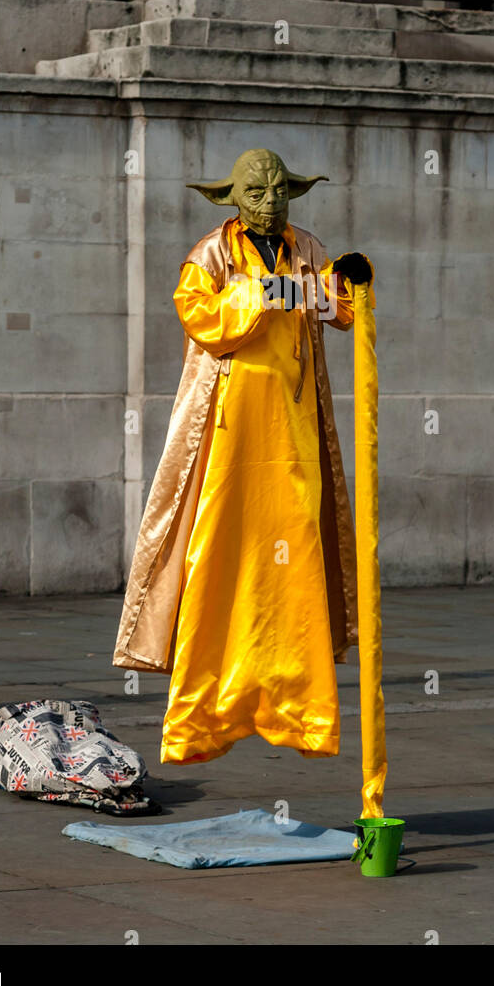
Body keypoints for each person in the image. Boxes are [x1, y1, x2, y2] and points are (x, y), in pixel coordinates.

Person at [113, 147, 373, 764]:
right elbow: (200, 316)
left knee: (296, 563)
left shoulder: (306, 246)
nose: (269, 203)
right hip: (229, 434)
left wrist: (349, 282)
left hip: (292, 430)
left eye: (279, 191)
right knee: (217, 554)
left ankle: (301, 709)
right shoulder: (211, 254)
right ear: (232, 197)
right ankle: (204, 715)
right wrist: (264, 295)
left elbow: (342, 305)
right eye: (256, 193)